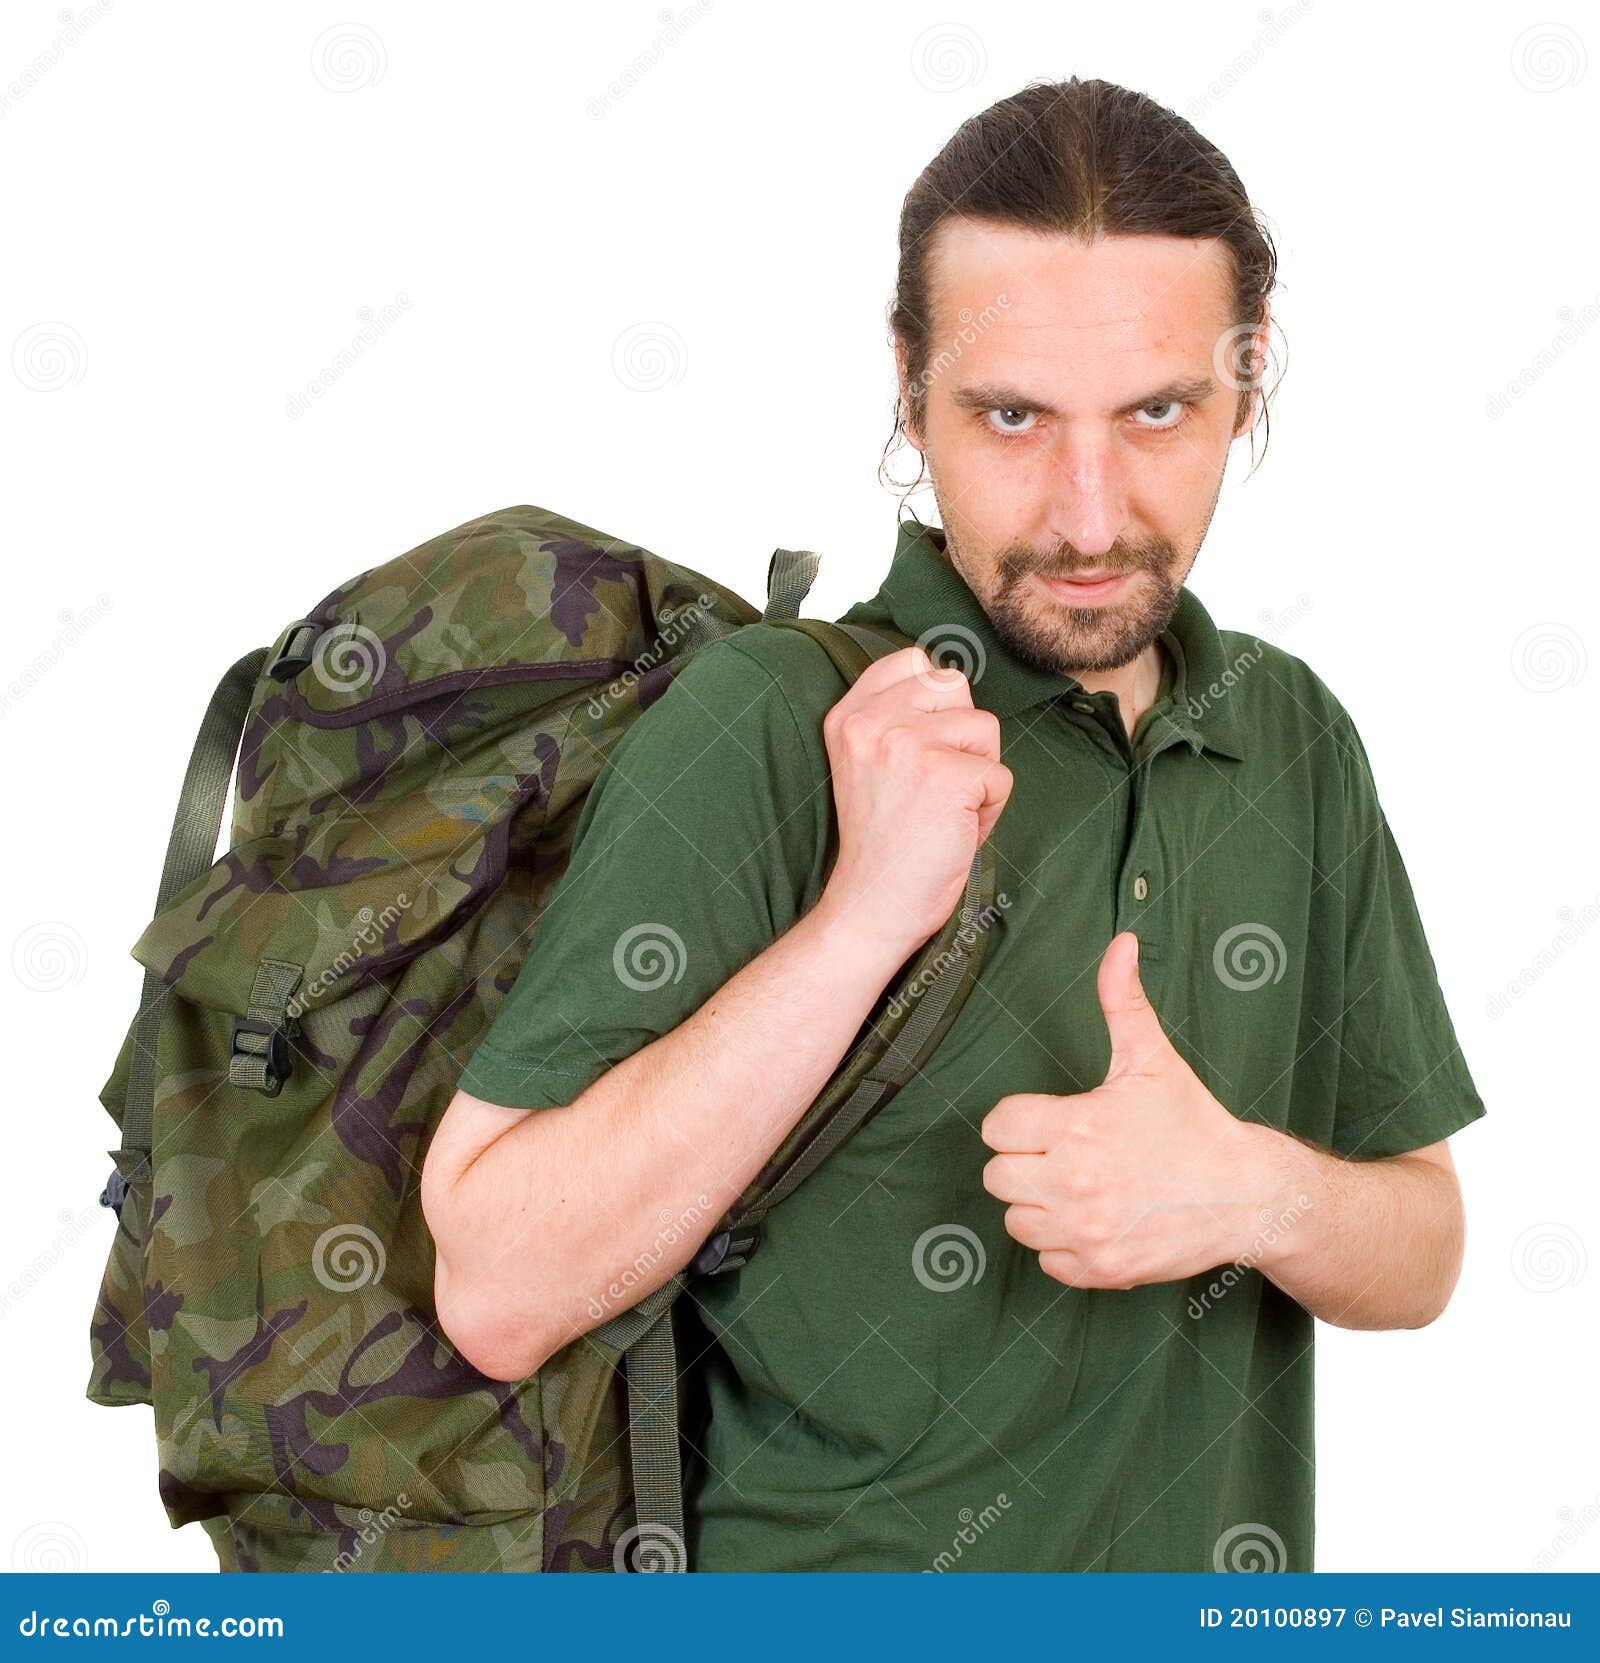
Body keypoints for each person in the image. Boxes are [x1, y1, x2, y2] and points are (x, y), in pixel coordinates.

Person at [420, 76, 1486, 1572]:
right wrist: (862, 923)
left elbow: (1422, 1247)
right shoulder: (770, 723)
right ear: (910, 393)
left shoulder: (1288, 734)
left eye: (1158, 412)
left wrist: (1252, 1188)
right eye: (1011, 417)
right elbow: (499, 1282)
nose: (1090, 510)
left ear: (1246, 391)